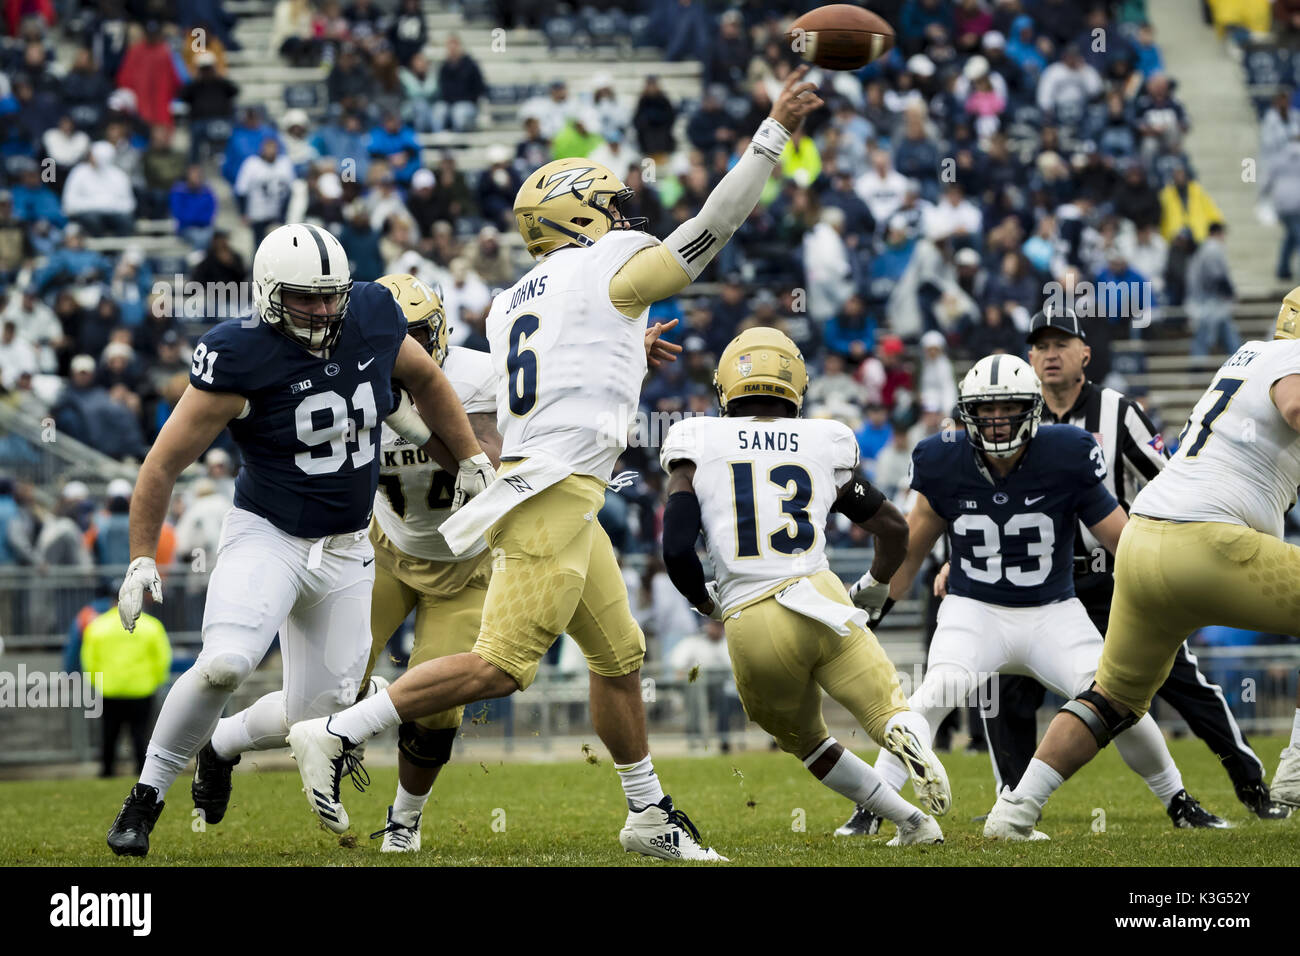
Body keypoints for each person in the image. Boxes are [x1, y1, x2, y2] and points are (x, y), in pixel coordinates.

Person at [287, 66, 826, 862]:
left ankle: (647, 814)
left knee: (619, 656)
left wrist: (623, 347)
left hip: (556, 480)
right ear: (578, 212)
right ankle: (336, 731)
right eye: (607, 205)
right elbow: (709, 231)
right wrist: (772, 135)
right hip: (554, 489)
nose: (620, 215)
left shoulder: (512, 302)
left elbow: (528, 392)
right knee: (499, 668)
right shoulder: (608, 266)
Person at [104, 223, 494, 857]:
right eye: (303, 297)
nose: (320, 309)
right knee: (226, 662)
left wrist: (470, 455)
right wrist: (141, 556)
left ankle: (220, 747)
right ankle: (144, 799)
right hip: (270, 536)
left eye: (329, 295)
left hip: (347, 547)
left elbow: (426, 381)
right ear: (267, 293)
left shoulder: (370, 311)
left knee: (312, 717)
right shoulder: (238, 354)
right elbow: (161, 464)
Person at [840, 353, 1227, 838]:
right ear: (968, 413)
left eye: (1008, 407)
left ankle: (1178, 800)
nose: (997, 420)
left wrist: (1171, 587)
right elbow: (913, 552)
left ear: (1032, 409)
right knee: (935, 692)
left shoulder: (1066, 452)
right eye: (986, 409)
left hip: (1053, 612)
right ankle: (873, 808)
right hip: (973, 608)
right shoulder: (942, 458)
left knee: (1119, 703)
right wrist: (878, 606)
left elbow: (1124, 543)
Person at [200, 275, 502, 852]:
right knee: (322, 701)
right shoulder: (337, 373)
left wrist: (421, 418)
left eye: (412, 337)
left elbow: (491, 456)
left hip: (467, 563)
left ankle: (404, 821)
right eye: (393, 336)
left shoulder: (474, 375)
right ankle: (221, 743)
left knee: (438, 706)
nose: (398, 347)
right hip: (386, 550)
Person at [984, 289, 1300, 837]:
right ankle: (1294, 774)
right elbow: (1296, 406)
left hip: (1141, 542)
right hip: (1206, 542)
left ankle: (1014, 813)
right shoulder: (1291, 359)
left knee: (1114, 698)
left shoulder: (1249, 356)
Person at [658, 327, 949, 846]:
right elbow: (895, 528)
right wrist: (876, 585)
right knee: (891, 712)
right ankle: (906, 741)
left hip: (752, 616)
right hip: (824, 600)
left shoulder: (696, 439)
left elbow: (677, 548)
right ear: (796, 383)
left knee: (810, 741)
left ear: (727, 383)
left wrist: (706, 602)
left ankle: (911, 821)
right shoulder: (823, 438)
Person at [82, 604, 171, 778]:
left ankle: (107, 771)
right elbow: (162, 657)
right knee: (141, 733)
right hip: (142, 688)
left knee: (109, 733)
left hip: (110, 689)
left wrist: (96, 682)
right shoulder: (151, 625)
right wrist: (156, 680)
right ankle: (144, 772)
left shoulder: (98, 626)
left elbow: (89, 659)